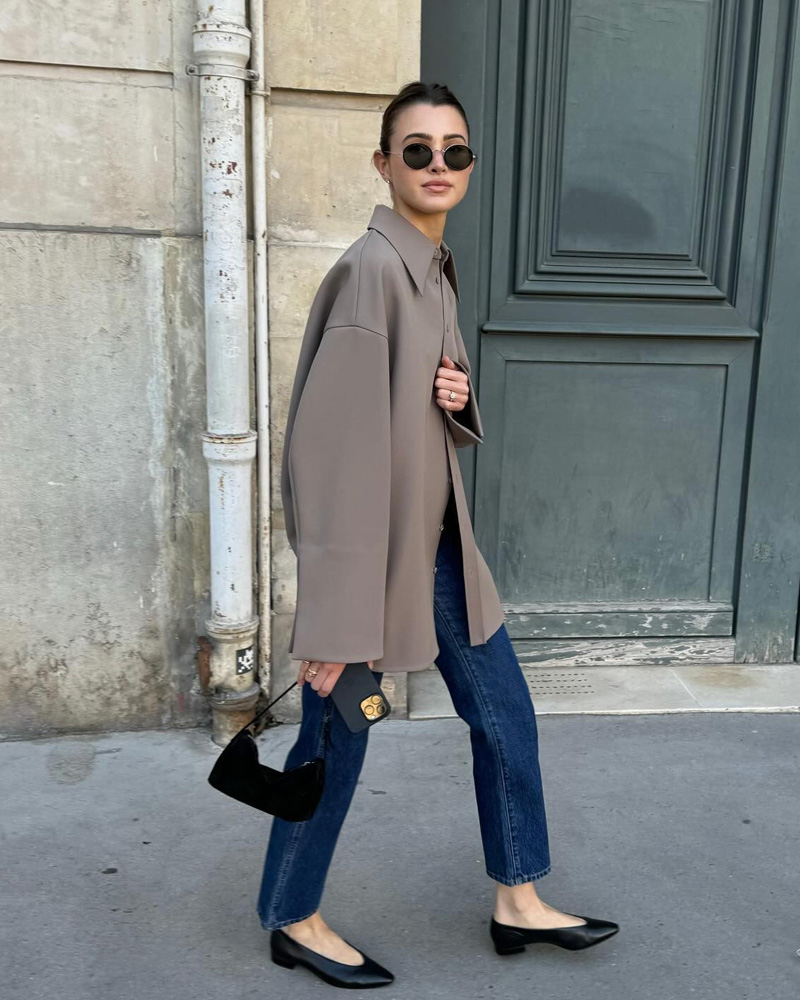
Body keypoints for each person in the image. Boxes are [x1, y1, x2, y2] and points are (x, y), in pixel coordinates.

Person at [257, 80, 619, 989]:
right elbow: (330, 456)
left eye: (455, 150)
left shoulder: (430, 269)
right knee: (336, 740)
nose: (439, 165)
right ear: (384, 165)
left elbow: (414, 412)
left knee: (506, 719)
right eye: (416, 150)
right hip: (378, 569)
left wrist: (456, 397)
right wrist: (335, 624)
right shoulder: (374, 273)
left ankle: (519, 899)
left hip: (443, 552)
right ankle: (293, 916)